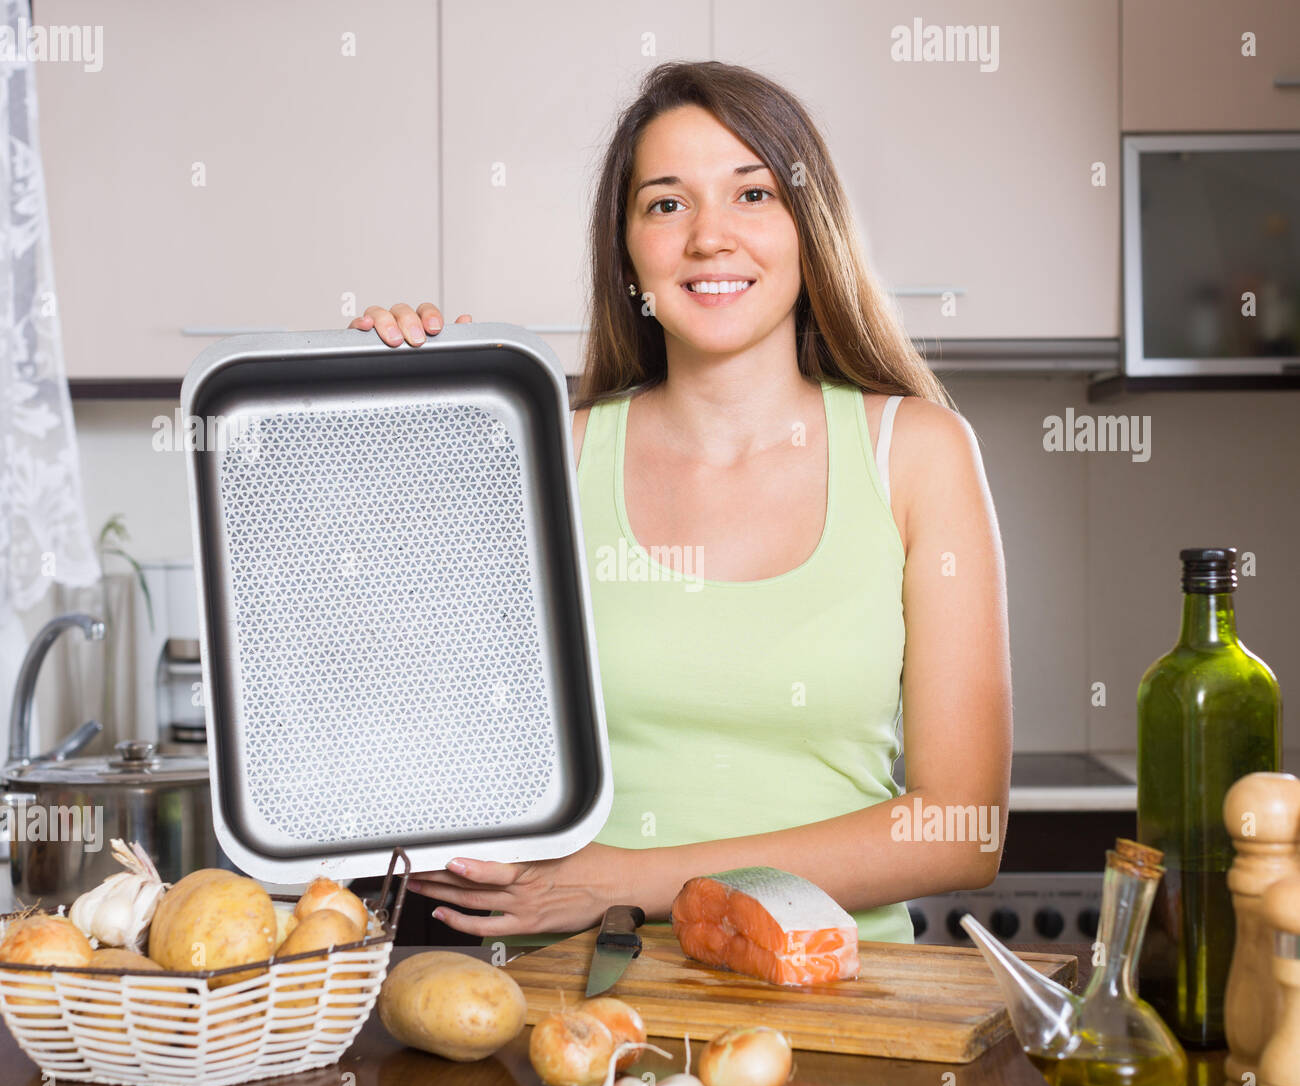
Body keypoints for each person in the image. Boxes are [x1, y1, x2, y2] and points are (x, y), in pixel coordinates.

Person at [349, 60, 1011, 947]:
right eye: (666, 203)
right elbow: (401, 733)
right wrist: (392, 423)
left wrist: (622, 880)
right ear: (627, 254)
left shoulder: (917, 452)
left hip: (845, 1001)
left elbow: (965, 827)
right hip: (585, 1001)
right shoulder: (545, 453)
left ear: (810, 230)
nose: (709, 237)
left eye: (753, 195)